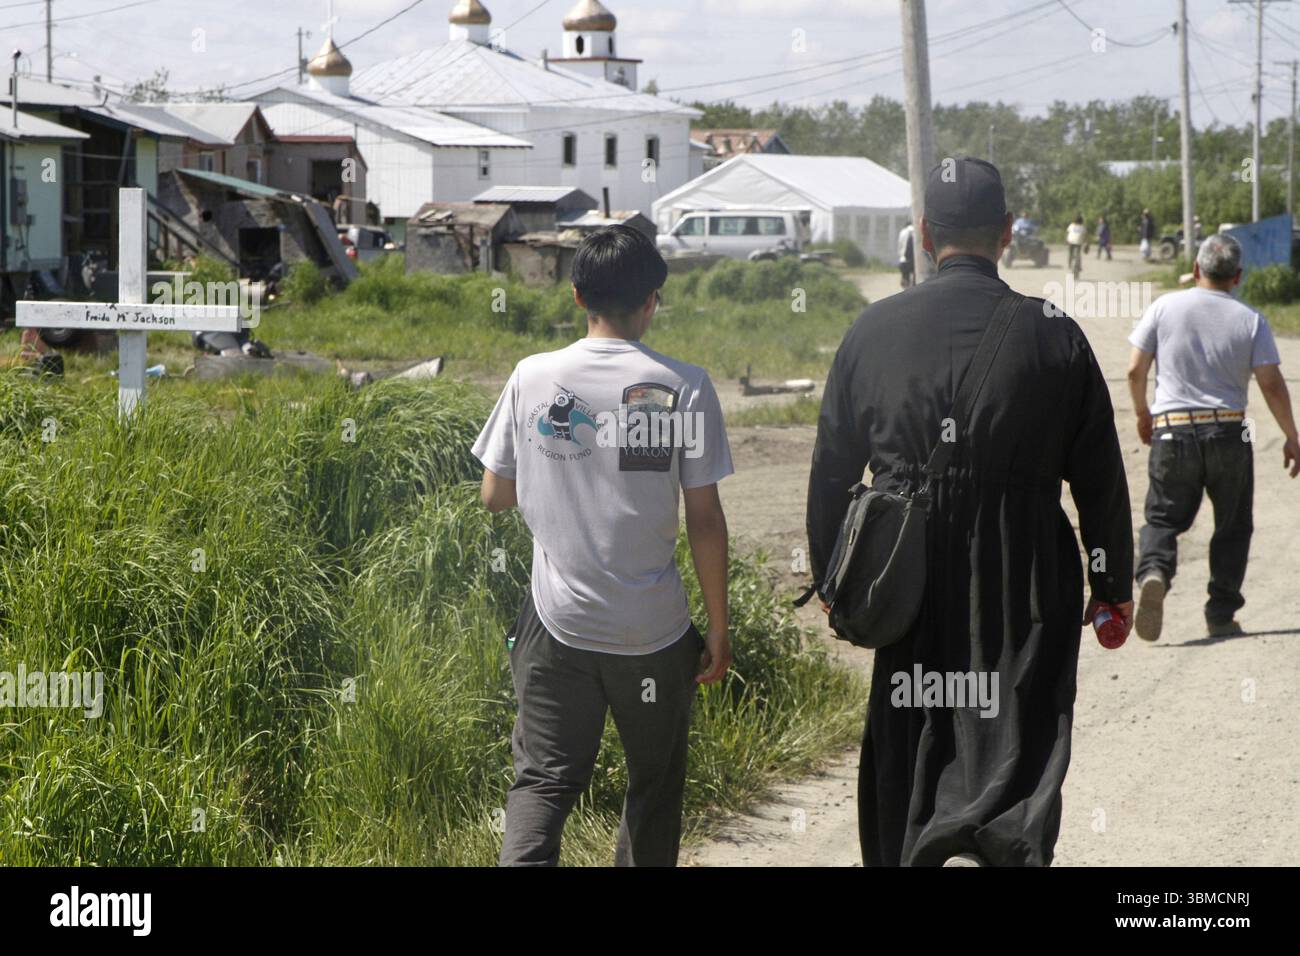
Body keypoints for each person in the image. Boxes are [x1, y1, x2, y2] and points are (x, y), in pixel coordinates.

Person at [807, 157, 1134, 868]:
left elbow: (831, 470)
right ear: (1008, 233)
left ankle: (914, 847)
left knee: (911, 721)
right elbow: (1101, 479)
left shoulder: (872, 330)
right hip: (1028, 569)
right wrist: (1111, 584)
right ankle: (992, 839)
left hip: (906, 565)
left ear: (925, 235)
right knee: (1019, 721)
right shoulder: (1056, 333)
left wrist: (835, 585)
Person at [472, 225, 735, 866]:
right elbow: (704, 519)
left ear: (575, 295)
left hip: (556, 624)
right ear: (653, 300)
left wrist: (561, 467)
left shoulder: (533, 377)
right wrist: (719, 628)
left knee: (542, 780)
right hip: (653, 631)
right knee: (654, 785)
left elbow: (493, 495)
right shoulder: (686, 386)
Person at [1126, 234, 1299, 642]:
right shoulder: (1250, 318)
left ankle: (1154, 571)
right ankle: (1220, 614)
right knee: (1233, 525)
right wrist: (1292, 436)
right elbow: (1272, 384)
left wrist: (1142, 414)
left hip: (1172, 429)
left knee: (1163, 518)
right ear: (1237, 276)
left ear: (1197, 269)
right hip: (1228, 430)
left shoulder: (1164, 306)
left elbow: (1134, 370)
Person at [898, 221, 916, 288]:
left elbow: (899, 247)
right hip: (914, 261)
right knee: (916, 283)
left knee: (905, 283)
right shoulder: (916, 230)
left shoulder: (902, 232)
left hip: (904, 260)